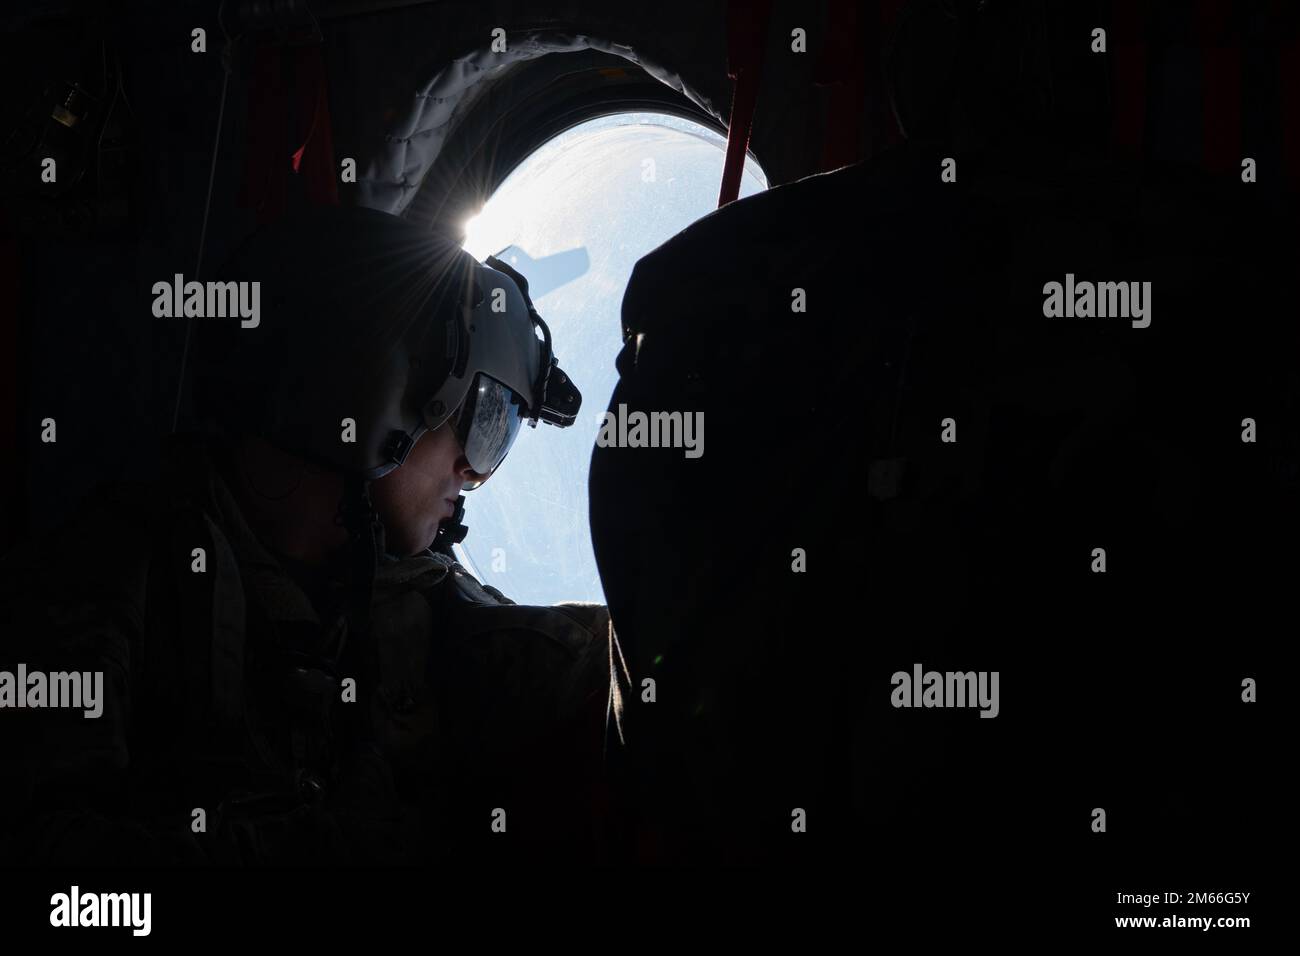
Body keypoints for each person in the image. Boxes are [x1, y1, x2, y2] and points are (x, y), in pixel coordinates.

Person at [0, 204, 616, 865]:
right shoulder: (119, 569)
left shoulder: (424, 612)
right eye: (487, 422)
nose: (475, 472)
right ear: (371, 381)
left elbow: (582, 677)